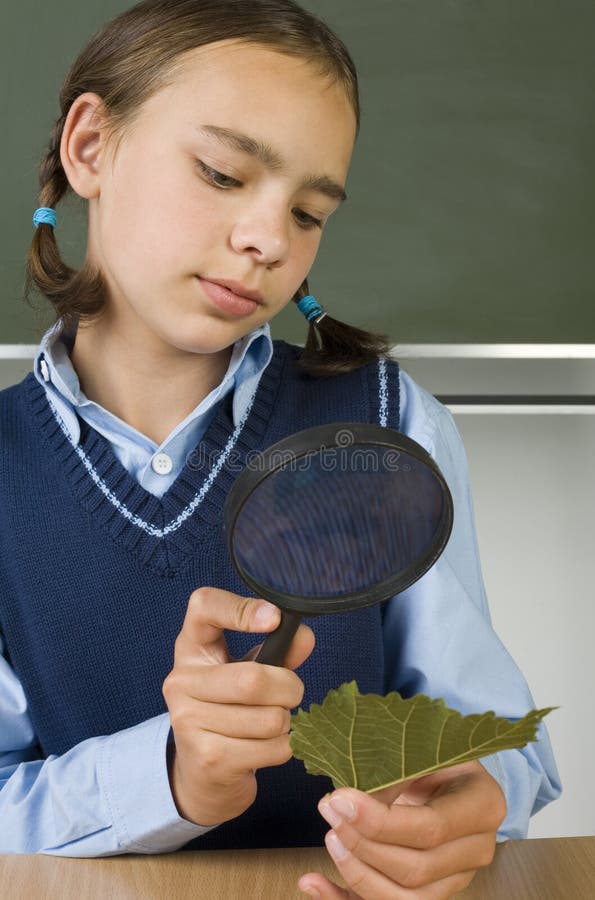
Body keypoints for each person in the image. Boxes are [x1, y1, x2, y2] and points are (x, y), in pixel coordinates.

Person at [0, 1, 560, 896]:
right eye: (223, 174)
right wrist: (173, 774)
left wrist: (476, 797)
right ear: (90, 147)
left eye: (307, 213)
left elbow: (496, 738)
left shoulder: (387, 426)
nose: (268, 241)